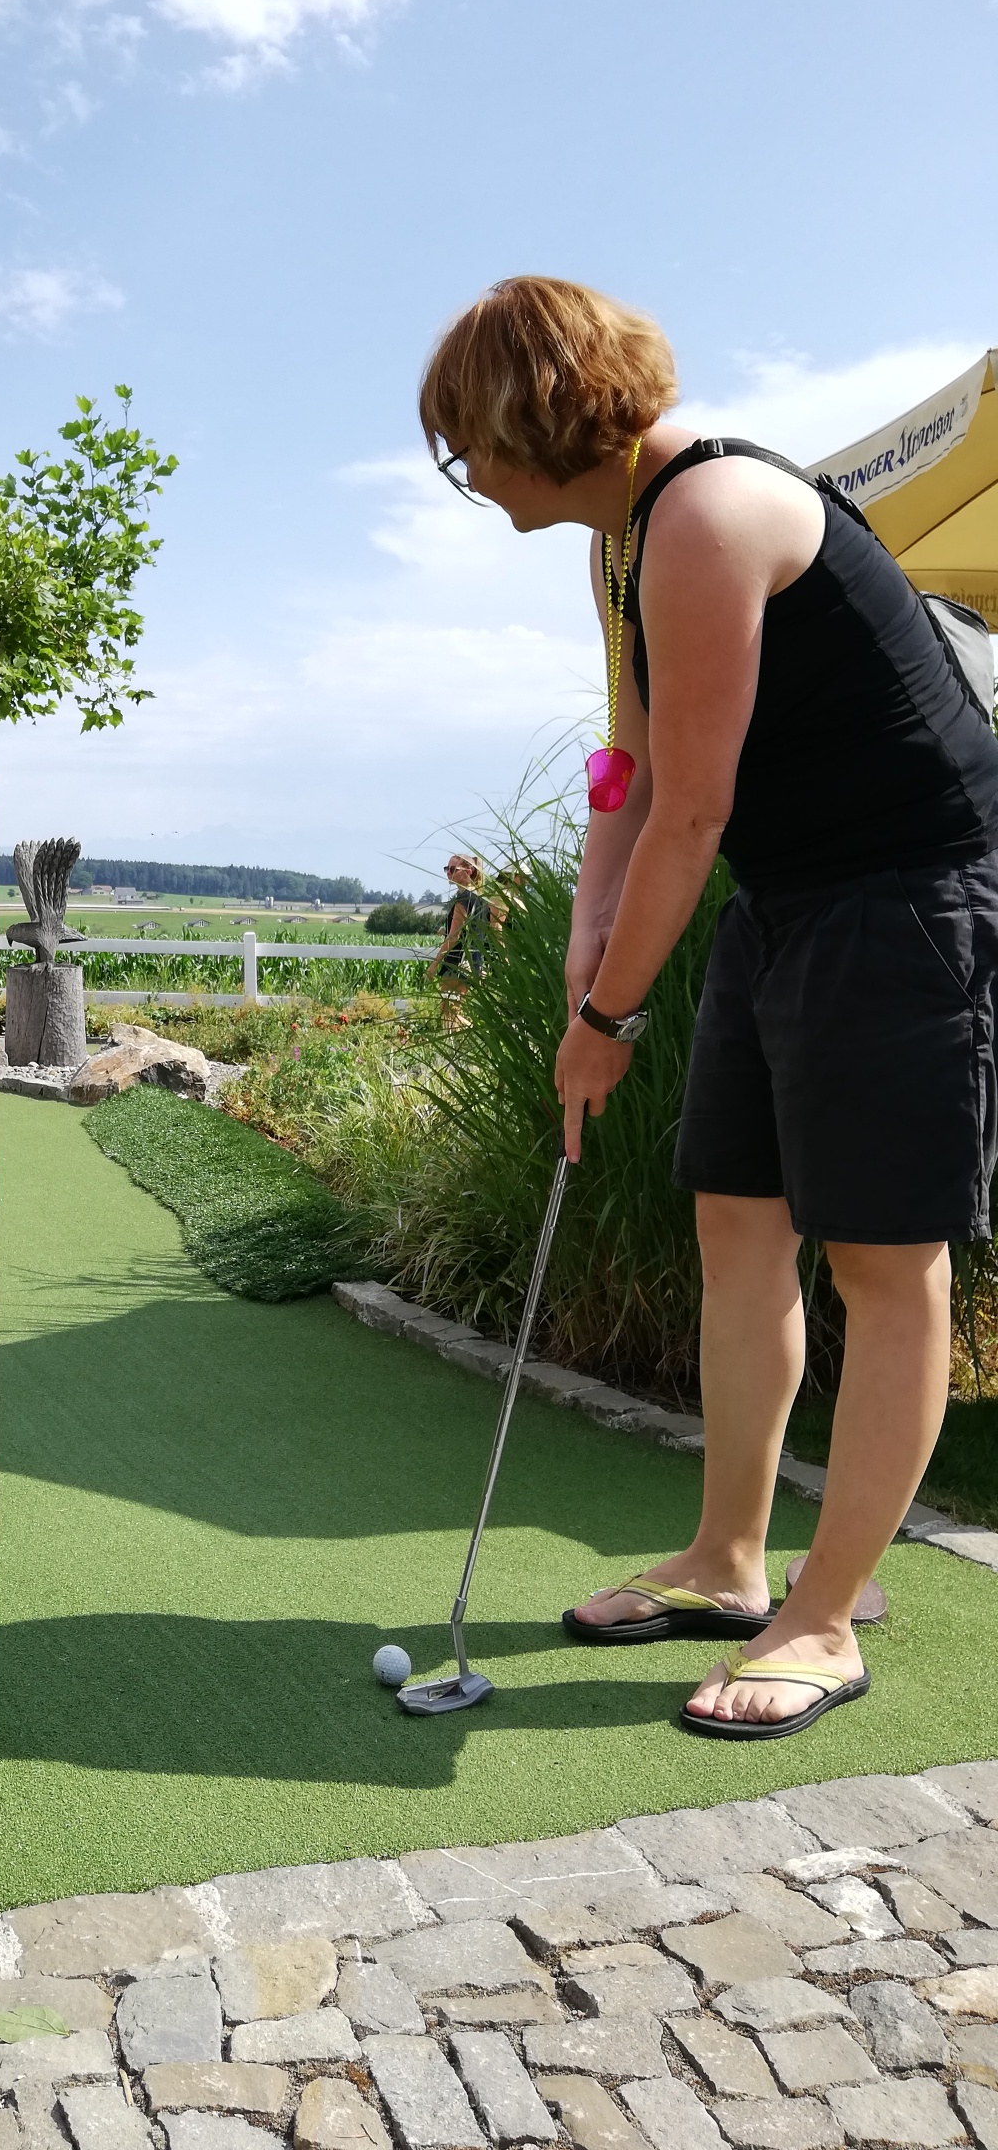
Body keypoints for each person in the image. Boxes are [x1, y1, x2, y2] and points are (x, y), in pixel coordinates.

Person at [418, 276, 998, 1738]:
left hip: (909, 900)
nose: (465, 480)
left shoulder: (711, 516)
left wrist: (606, 1022)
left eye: (463, 448)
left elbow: (697, 807)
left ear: (531, 417)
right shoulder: (619, 546)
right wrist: (586, 932)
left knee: (884, 1259)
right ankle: (730, 1561)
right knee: (737, 1220)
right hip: (791, 898)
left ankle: (823, 1619)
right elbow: (628, 771)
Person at [432, 853, 492, 1027]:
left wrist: (433, 965)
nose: (449, 873)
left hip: (456, 962)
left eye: (452, 869)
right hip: (472, 963)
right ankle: (475, 1036)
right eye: (447, 869)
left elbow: (454, 936)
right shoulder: (479, 898)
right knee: (452, 1013)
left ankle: (478, 1033)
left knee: (447, 1014)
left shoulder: (464, 898)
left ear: (468, 871)